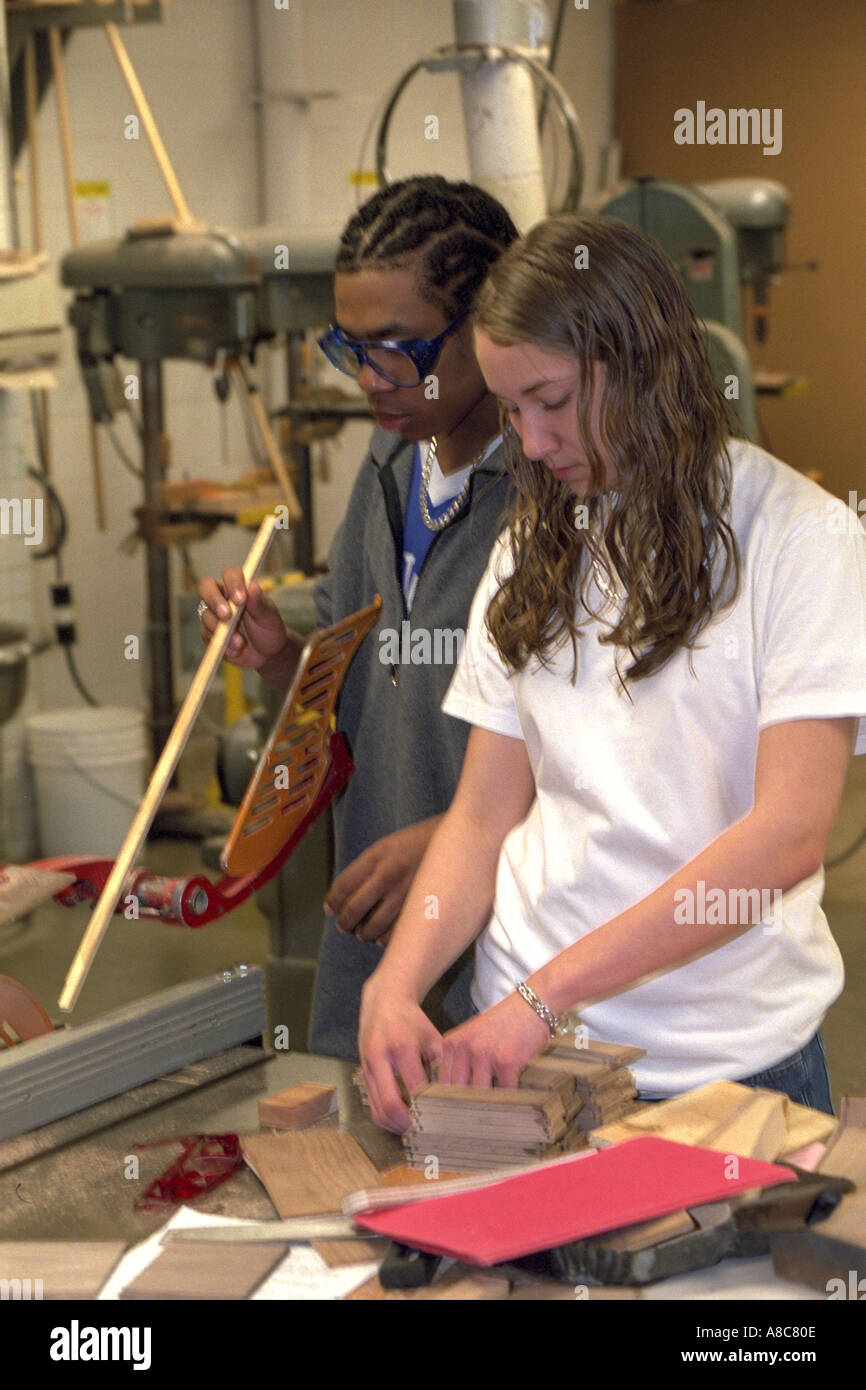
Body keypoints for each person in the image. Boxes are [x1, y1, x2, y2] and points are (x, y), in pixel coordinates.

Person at [358, 213, 866, 1132]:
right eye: (511, 409)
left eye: (551, 400)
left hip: (718, 1063)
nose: (532, 441)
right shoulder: (531, 546)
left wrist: (546, 998)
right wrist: (397, 983)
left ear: (642, 365)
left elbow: (788, 838)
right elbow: (483, 816)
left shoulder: (800, 536)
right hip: (521, 1045)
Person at [198, 176, 518, 1058]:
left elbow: (620, 763)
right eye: (351, 348)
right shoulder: (389, 459)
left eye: (399, 350)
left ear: (488, 322)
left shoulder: (552, 491)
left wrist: (457, 842)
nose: (371, 380)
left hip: (509, 963)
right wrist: (278, 655)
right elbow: (354, 685)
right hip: (372, 944)